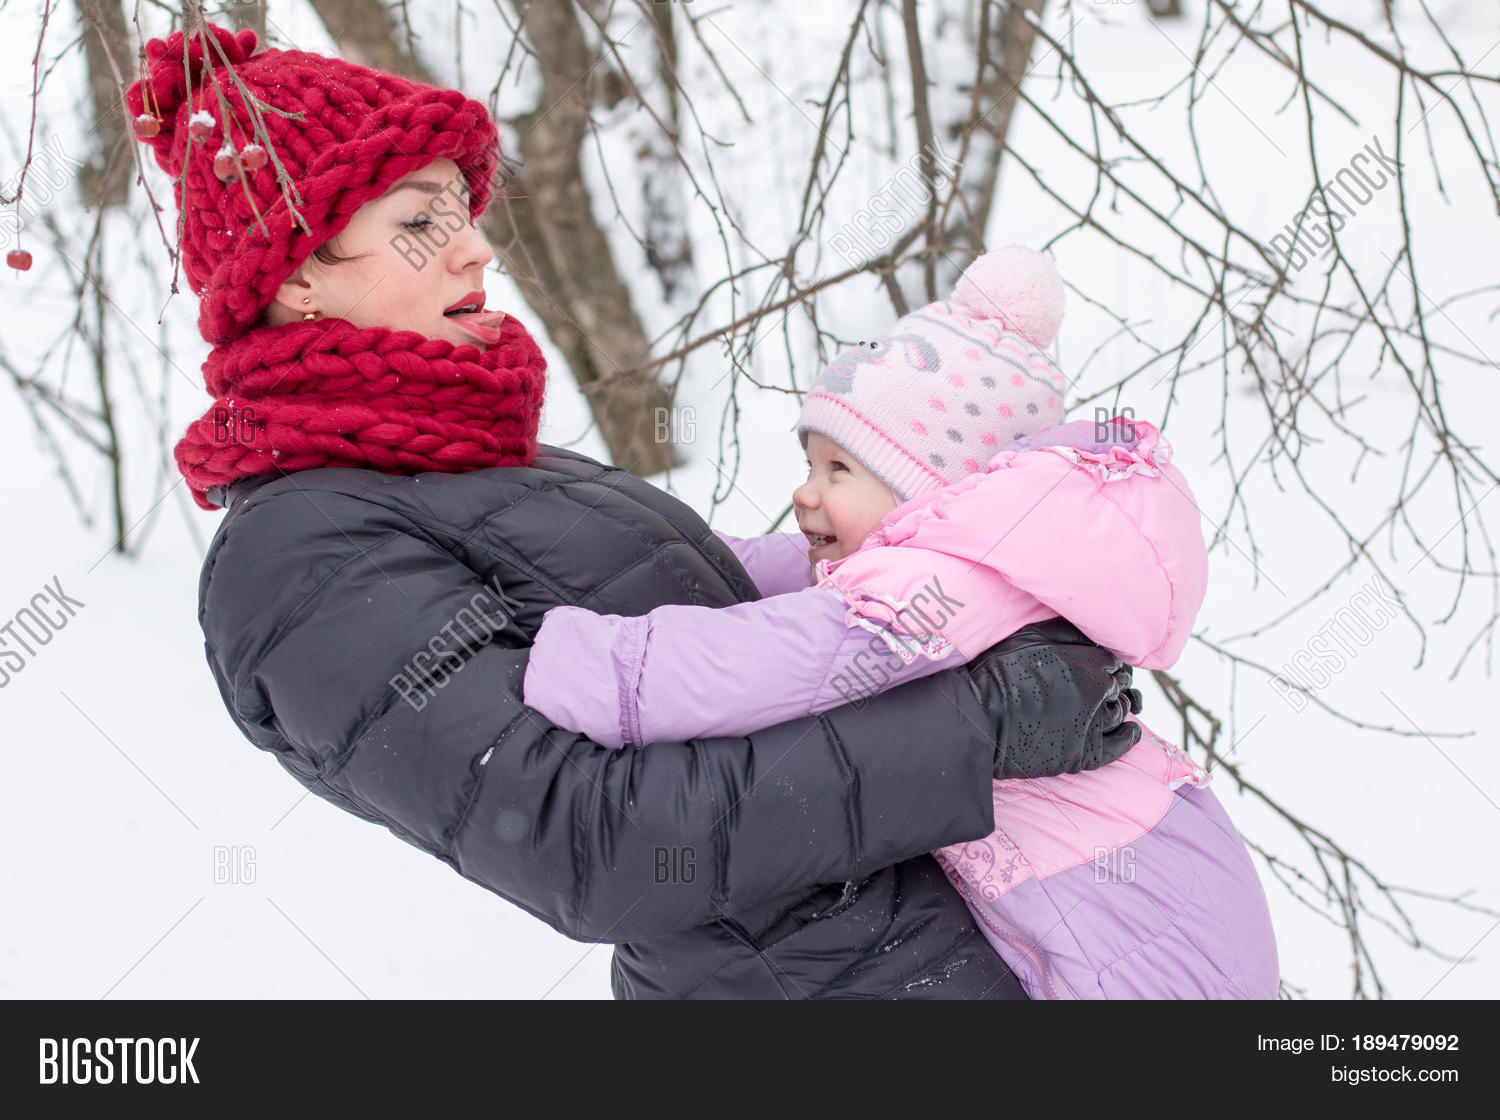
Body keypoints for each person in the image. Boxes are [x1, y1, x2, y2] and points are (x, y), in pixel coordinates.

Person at [129, 22, 1144, 999]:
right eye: (418, 224)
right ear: (298, 275)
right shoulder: (300, 559)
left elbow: (710, 635)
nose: (476, 248)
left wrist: (945, 568)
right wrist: (974, 728)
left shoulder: (473, 462)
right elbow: (590, 838)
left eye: (466, 211)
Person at [523, 248, 1281, 998]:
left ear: (930, 487)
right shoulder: (973, 557)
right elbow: (790, 571)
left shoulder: (937, 590)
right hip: (1177, 880)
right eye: (810, 464)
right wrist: (649, 553)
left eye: (839, 472)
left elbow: (767, 661)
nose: (805, 494)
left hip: (1137, 942)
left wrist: (583, 663)